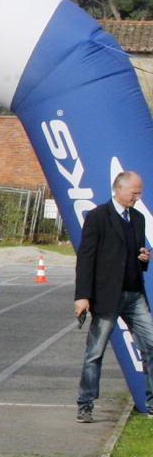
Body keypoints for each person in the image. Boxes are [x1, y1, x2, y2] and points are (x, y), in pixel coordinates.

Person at [73, 169, 153, 423]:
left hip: (134, 295)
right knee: (95, 352)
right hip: (107, 296)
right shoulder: (98, 217)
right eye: (134, 192)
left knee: (151, 344)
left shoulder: (138, 218)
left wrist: (143, 259)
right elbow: (86, 258)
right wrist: (82, 296)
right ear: (119, 189)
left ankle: (151, 403)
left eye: (139, 193)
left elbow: (133, 254)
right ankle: (85, 404)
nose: (137, 197)